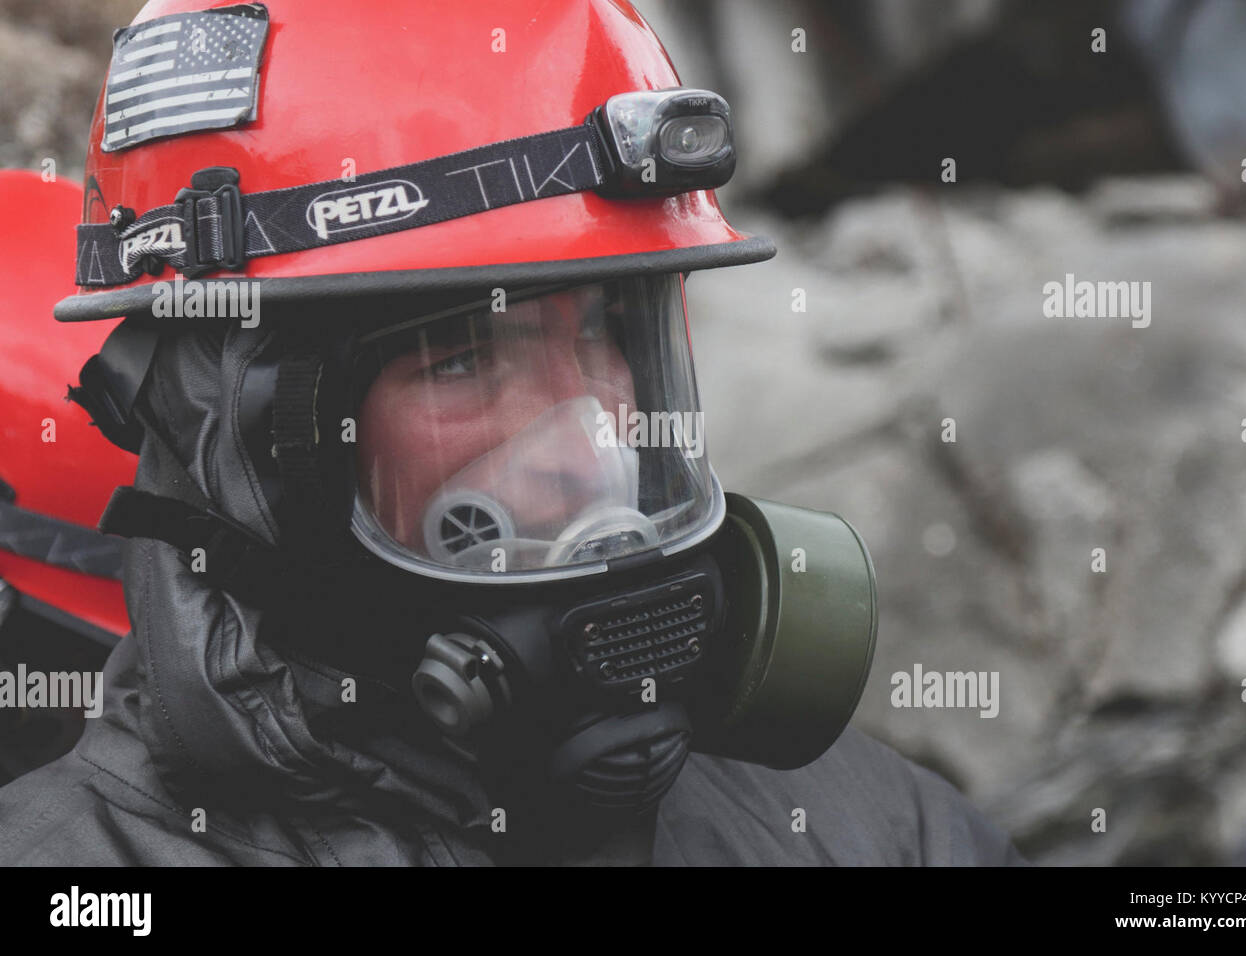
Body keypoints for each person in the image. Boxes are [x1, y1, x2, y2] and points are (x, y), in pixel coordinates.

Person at [0, 0, 1023, 866]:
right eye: (463, 358)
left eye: (612, 332)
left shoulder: (861, 826)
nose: (592, 449)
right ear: (244, 437)